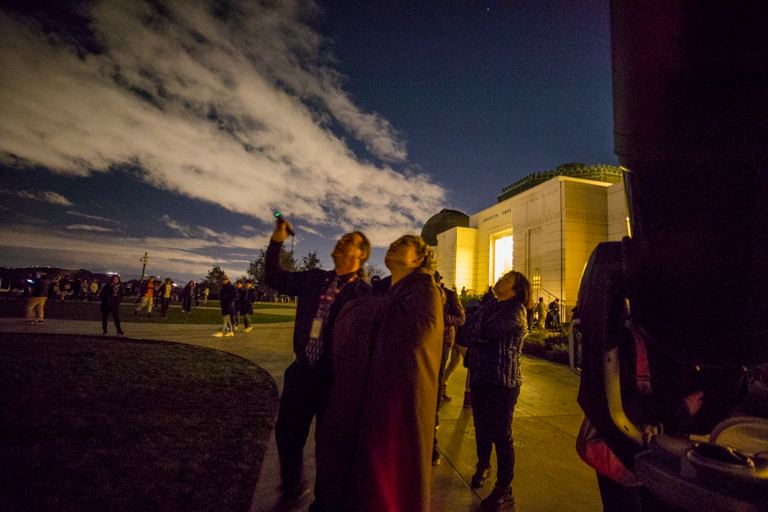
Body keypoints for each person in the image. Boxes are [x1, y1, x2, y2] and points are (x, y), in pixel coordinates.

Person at [315, 234, 443, 512]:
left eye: (404, 242)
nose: (394, 243)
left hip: (393, 406)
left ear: (419, 258)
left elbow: (408, 340)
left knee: (385, 481)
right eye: (394, 241)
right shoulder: (388, 293)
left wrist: (355, 310)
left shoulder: (425, 290)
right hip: (370, 399)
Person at [266, 216, 372, 506]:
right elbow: (274, 278)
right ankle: (292, 491)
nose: (340, 241)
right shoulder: (314, 278)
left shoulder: (363, 294)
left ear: (361, 255)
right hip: (302, 373)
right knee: (287, 435)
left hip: (334, 381)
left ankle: (324, 500)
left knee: (329, 445)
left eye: (348, 241)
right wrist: (278, 240)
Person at [465, 270, 532, 512]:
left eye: (506, 279)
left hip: (503, 382)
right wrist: (476, 328)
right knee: (482, 428)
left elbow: (484, 331)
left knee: (502, 435)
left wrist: (476, 326)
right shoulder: (492, 305)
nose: (500, 279)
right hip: (481, 376)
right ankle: (483, 464)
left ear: (515, 290)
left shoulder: (515, 310)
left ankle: (504, 489)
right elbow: (466, 330)